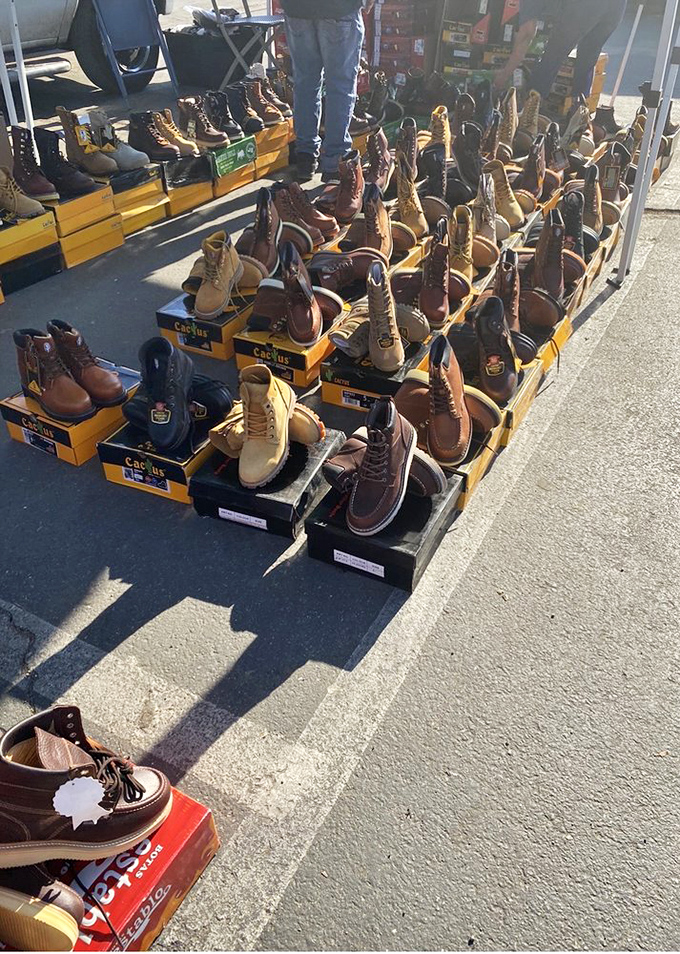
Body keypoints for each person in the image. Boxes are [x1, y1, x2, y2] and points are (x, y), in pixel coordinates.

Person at [281, 0, 371, 182]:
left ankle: (305, 157)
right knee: (340, 86)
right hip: (339, 9)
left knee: (305, 82)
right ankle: (335, 162)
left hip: (297, 9)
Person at [494, 0, 627, 103]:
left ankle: (532, 104)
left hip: (586, 7)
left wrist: (505, 74)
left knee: (555, 52)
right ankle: (579, 111)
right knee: (589, 56)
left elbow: (527, 32)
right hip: (616, 7)